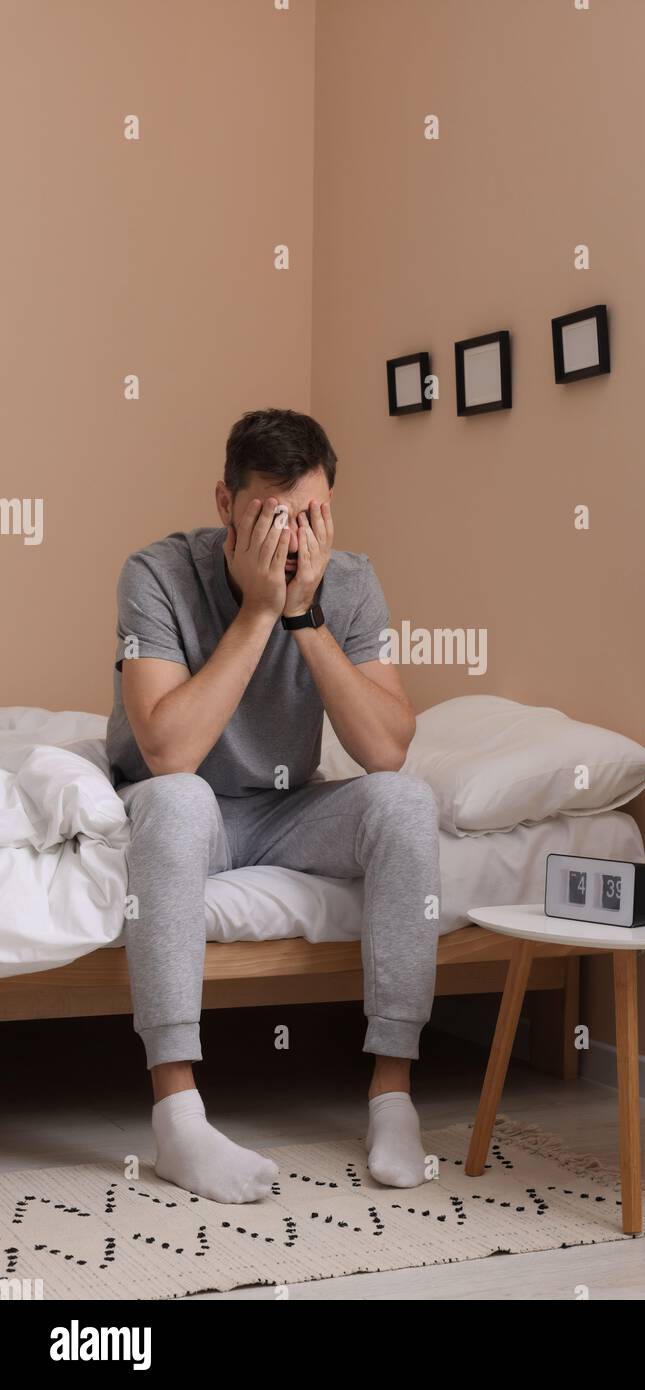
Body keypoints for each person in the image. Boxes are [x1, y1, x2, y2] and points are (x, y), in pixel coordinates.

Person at [106, 408, 441, 1203]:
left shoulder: (348, 580)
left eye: (314, 514)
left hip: (284, 808)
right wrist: (259, 611)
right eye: (274, 515)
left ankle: (392, 1094)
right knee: (182, 798)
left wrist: (304, 614)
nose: (296, 537)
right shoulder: (155, 575)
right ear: (226, 504)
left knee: (402, 802)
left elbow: (384, 747)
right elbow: (167, 752)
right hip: (184, 805)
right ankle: (179, 1117)